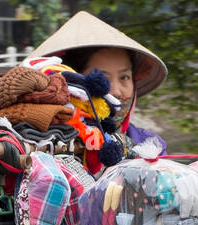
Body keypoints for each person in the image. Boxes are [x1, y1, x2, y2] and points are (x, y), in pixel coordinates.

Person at [29, 10, 169, 154]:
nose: (116, 91)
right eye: (103, 79)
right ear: (71, 85)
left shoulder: (150, 145)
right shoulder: (38, 143)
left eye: (124, 77)